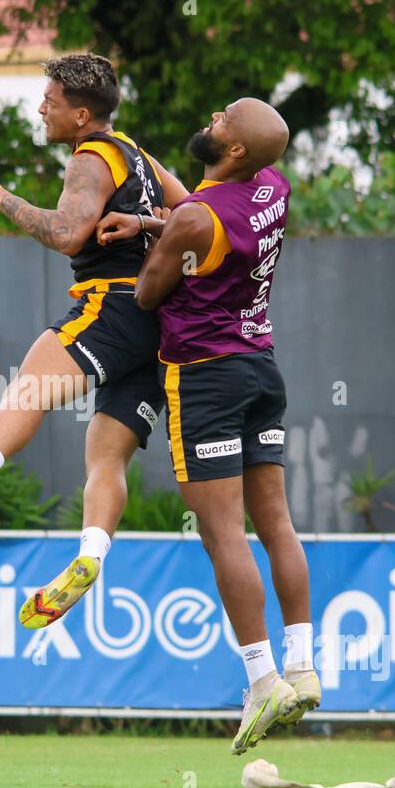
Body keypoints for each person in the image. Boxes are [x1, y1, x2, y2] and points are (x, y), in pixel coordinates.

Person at [0, 54, 187, 630]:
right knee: (106, 452)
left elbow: (69, 234)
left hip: (112, 305)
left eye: (50, 99)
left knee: (29, 388)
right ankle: (91, 556)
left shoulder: (91, 157)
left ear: (80, 114)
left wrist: (2, 198)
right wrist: (148, 224)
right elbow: (195, 208)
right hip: (159, 324)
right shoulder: (136, 154)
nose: (40, 106)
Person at [97, 98, 321, 753]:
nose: (214, 119)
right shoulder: (272, 187)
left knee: (223, 534)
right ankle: (303, 668)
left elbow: (147, 292)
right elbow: (204, 225)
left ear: (236, 151)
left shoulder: (195, 217)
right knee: (275, 522)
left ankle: (261, 680)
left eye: (224, 121)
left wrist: (152, 236)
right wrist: (156, 220)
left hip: (203, 378)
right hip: (260, 369)